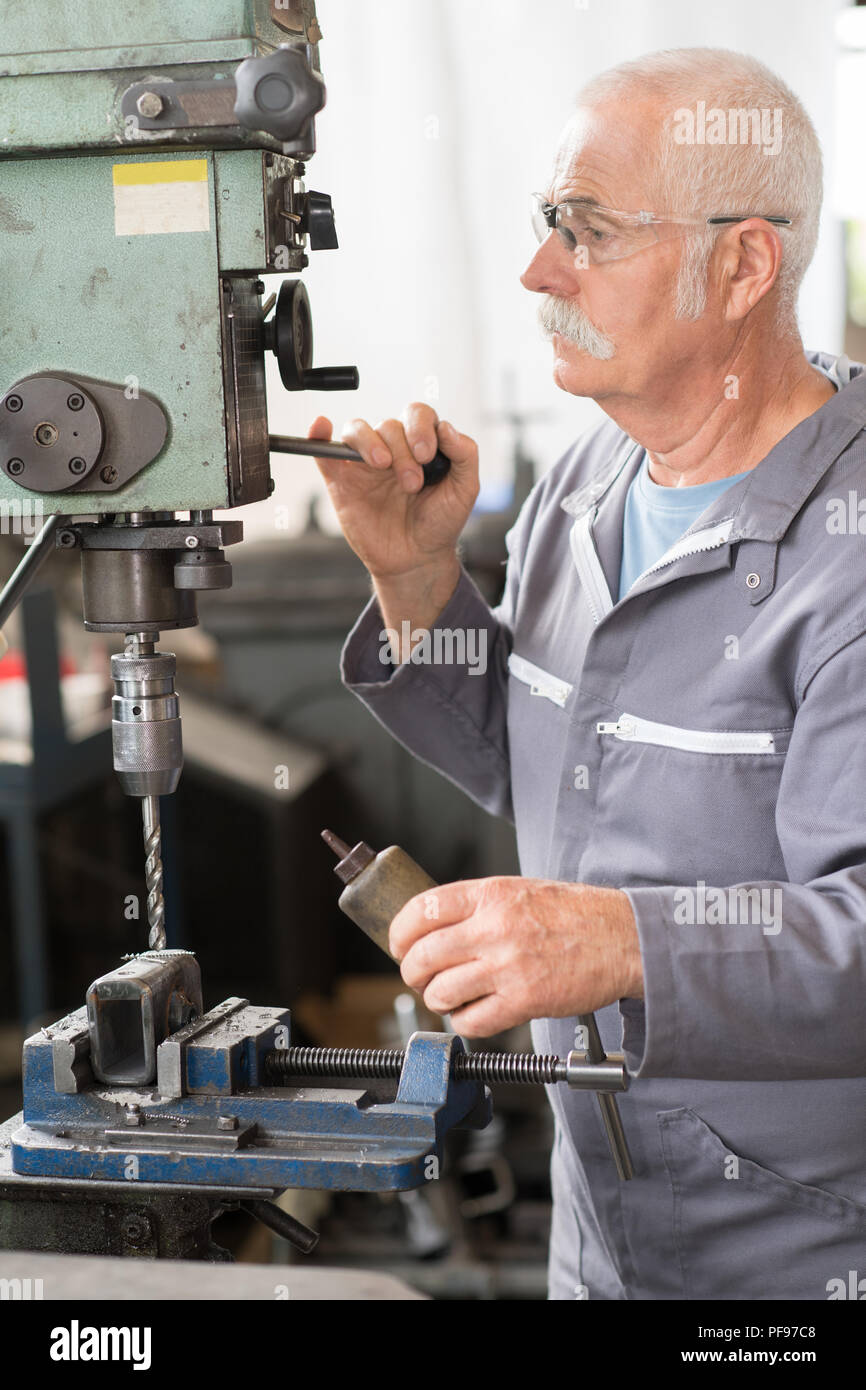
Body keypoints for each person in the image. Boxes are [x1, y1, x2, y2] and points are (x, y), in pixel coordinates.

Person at [308, 47, 866, 1300]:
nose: (537, 272)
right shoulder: (585, 482)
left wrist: (616, 941)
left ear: (741, 264)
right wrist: (414, 577)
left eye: (588, 230)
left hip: (801, 1254)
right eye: (542, 222)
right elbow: (551, 767)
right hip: (601, 1225)